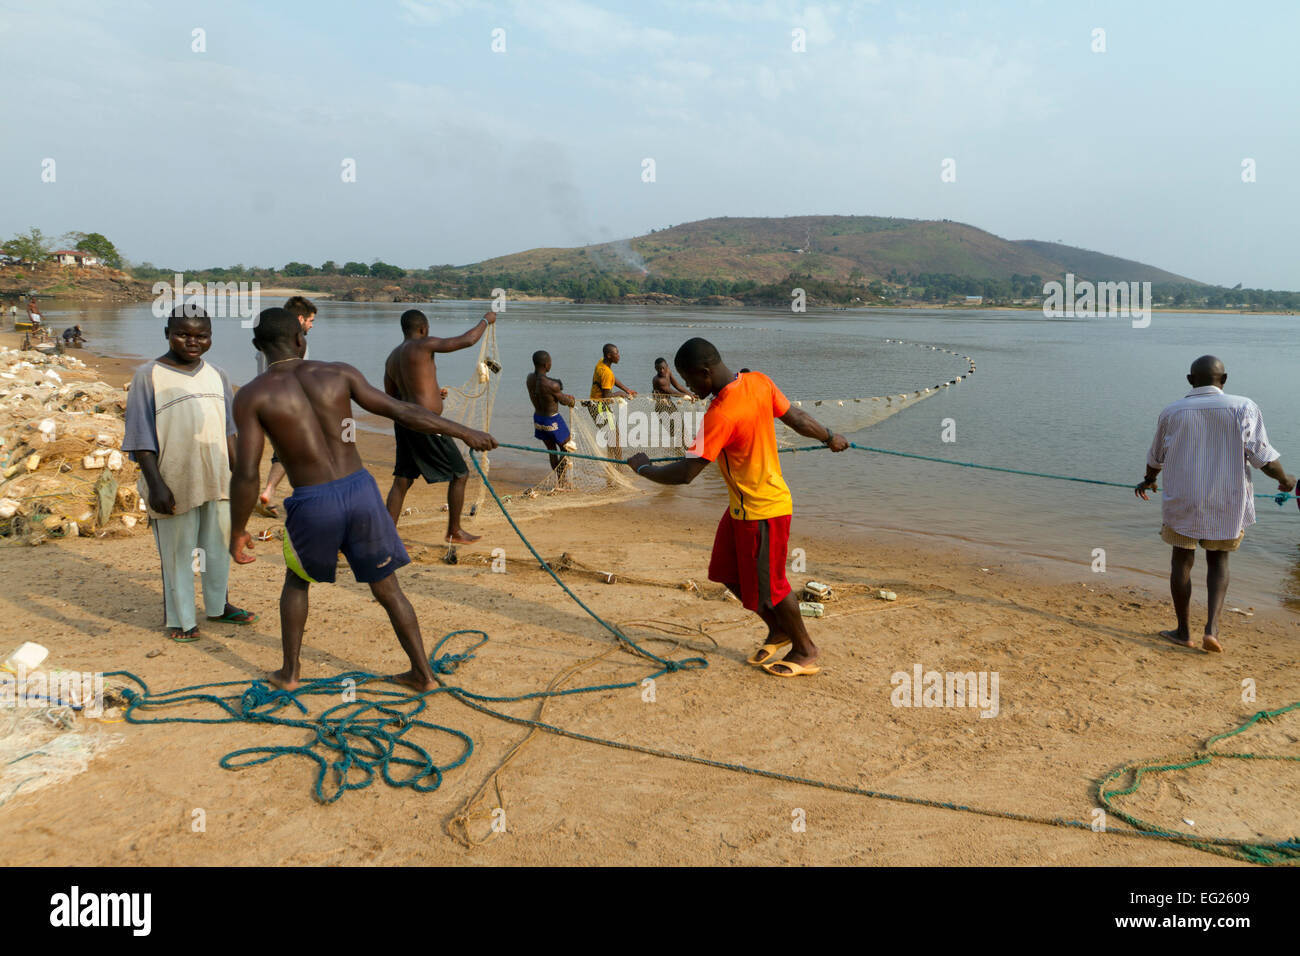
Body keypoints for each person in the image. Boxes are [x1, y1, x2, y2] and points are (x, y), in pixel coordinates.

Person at [228, 307, 497, 691]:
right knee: (387, 587)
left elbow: (247, 473)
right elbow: (403, 410)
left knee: (297, 581)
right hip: (360, 491)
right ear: (301, 339)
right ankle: (423, 674)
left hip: (312, 501)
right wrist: (463, 431)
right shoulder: (339, 372)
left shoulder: (253, 395)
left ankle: (290, 673)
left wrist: (238, 530)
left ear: (257, 346)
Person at [628, 337, 848, 678]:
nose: (686, 386)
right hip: (741, 508)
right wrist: (828, 436)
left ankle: (805, 648)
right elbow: (799, 418)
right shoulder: (759, 381)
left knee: (773, 587)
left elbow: (687, 473)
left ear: (705, 372)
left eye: (688, 379)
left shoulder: (721, 414)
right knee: (725, 572)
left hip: (763, 510)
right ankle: (778, 630)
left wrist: (643, 469)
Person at [1136, 355, 1295, 653]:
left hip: (1182, 499)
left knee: (1181, 560)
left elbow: (1156, 457)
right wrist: (1285, 480)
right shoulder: (1244, 406)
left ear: (1189, 380)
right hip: (1227, 501)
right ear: (1224, 379)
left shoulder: (1172, 411)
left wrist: (1148, 480)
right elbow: (1263, 458)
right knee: (1219, 561)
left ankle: (1183, 631)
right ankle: (1212, 630)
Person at [123, 307, 257, 642]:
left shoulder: (218, 374)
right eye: (184, 334)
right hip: (173, 478)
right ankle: (181, 619)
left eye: (201, 335)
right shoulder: (148, 375)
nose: (193, 342)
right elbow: (140, 437)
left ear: (211, 337)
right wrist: (156, 484)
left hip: (217, 478)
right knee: (179, 553)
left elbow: (229, 430)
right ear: (167, 333)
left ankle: (218, 606)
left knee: (216, 548)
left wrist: (241, 475)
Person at [383, 308, 495, 542]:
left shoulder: (392, 357)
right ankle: (454, 531)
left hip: (404, 423)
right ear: (423, 329)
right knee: (460, 473)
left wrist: (433, 394)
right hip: (426, 424)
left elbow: (392, 396)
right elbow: (468, 340)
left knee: (402, 479)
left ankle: (387, 537)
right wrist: (486, 319)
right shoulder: (424, 344)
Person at [256, 296, 317, 516]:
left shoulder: (267, 340)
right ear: (300, 319)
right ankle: (301, 498)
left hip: (264, 399)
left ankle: (269, 492)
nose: (311, 325)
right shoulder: (297, 342)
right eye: (310, 320)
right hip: (289, 402)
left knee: (285, 451)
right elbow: (299, 374)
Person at [527, 350, 577, 480]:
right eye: (550, 362)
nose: (551, 364)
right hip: (552, 419)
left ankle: (560, 480)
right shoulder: (552, 384)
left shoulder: (529, 379)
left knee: (552, 450)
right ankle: (562, 479)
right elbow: (566, 402)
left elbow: (546, 395)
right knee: (567, 447)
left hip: (538, 419)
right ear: (545, 364)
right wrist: (571, 399)